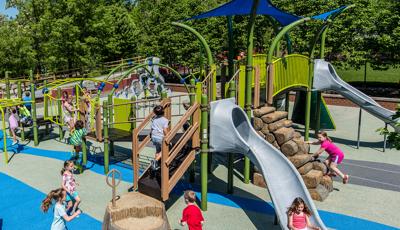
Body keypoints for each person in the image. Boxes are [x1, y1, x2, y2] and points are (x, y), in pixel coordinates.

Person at [150, 105, 169, 170]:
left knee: (158, 150)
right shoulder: (165, 120)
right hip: (160, 137)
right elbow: (164, 130)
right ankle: (155, 161)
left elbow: (152, 129)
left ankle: (155, 165)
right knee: (164, 150)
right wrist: (168, 136)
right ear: (163, 112)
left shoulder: (154, 119)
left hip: (154, 136)